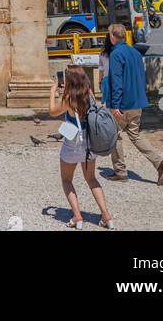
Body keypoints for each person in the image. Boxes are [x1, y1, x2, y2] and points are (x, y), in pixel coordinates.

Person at [103, 23, 163, 185]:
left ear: (113, 36)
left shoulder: (115, 54)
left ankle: (120, 171)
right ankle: (159, 162)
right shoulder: (135, 52)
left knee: (115, 136)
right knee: (135, 135)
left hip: (122, 104)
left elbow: (116, 80)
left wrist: (116, 104)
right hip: (137, 102)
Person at [48, 66, 114, 229]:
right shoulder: (89, 95)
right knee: (91, 179)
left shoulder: (68, 99)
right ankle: (106, 216)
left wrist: (53, 92)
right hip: (90, 143)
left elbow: (52, 112)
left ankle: (77, 217)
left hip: (73, 143)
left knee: (66, 180)